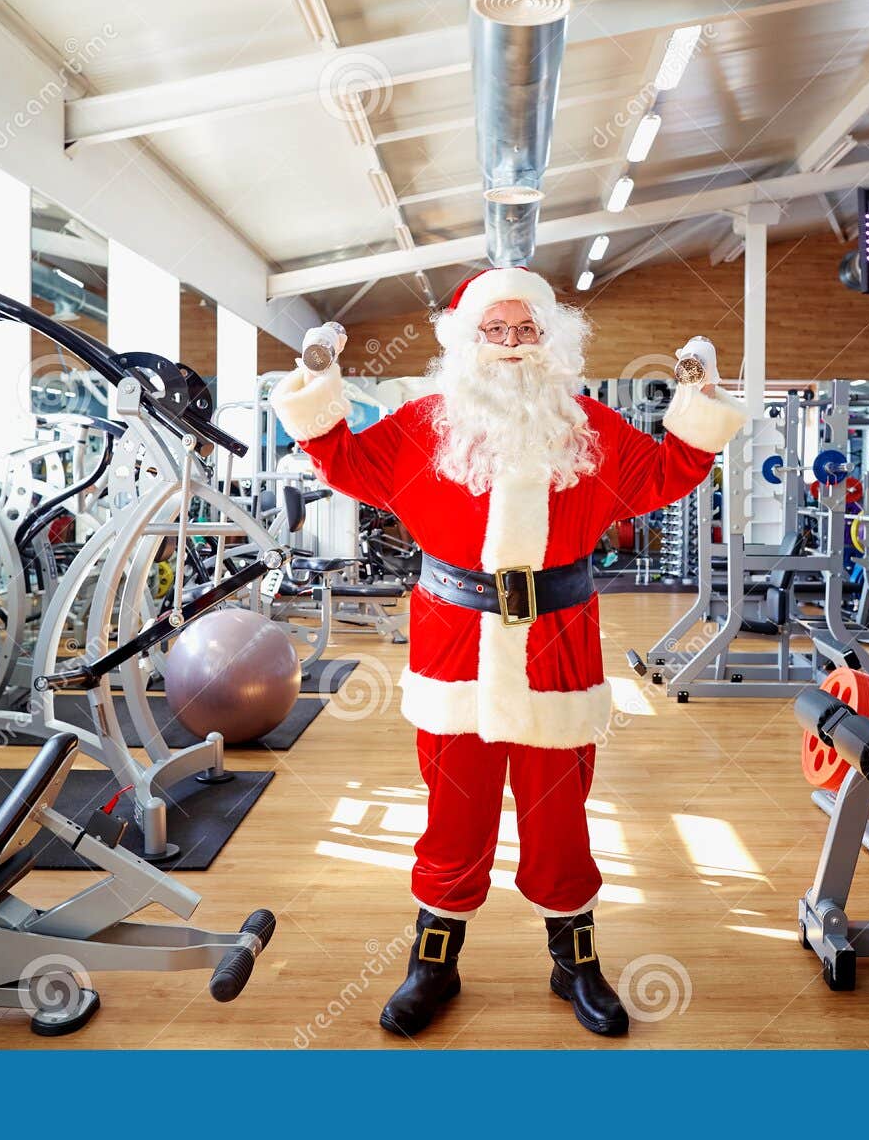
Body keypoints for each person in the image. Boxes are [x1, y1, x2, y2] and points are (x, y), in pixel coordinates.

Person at [270, 266, 746, 1038]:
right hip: (452, 643)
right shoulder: (426, 423)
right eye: (496, 330)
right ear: (467, 342)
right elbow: (345, 463)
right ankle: (434, 961)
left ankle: (576, 962)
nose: (512, 345)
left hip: (559, 646)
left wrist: (701, 400)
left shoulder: (589, 425)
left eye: (527, 330)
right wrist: (316, 385)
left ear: (551, 340)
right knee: (453, 813)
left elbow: (669, 471)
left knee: (561, 816)